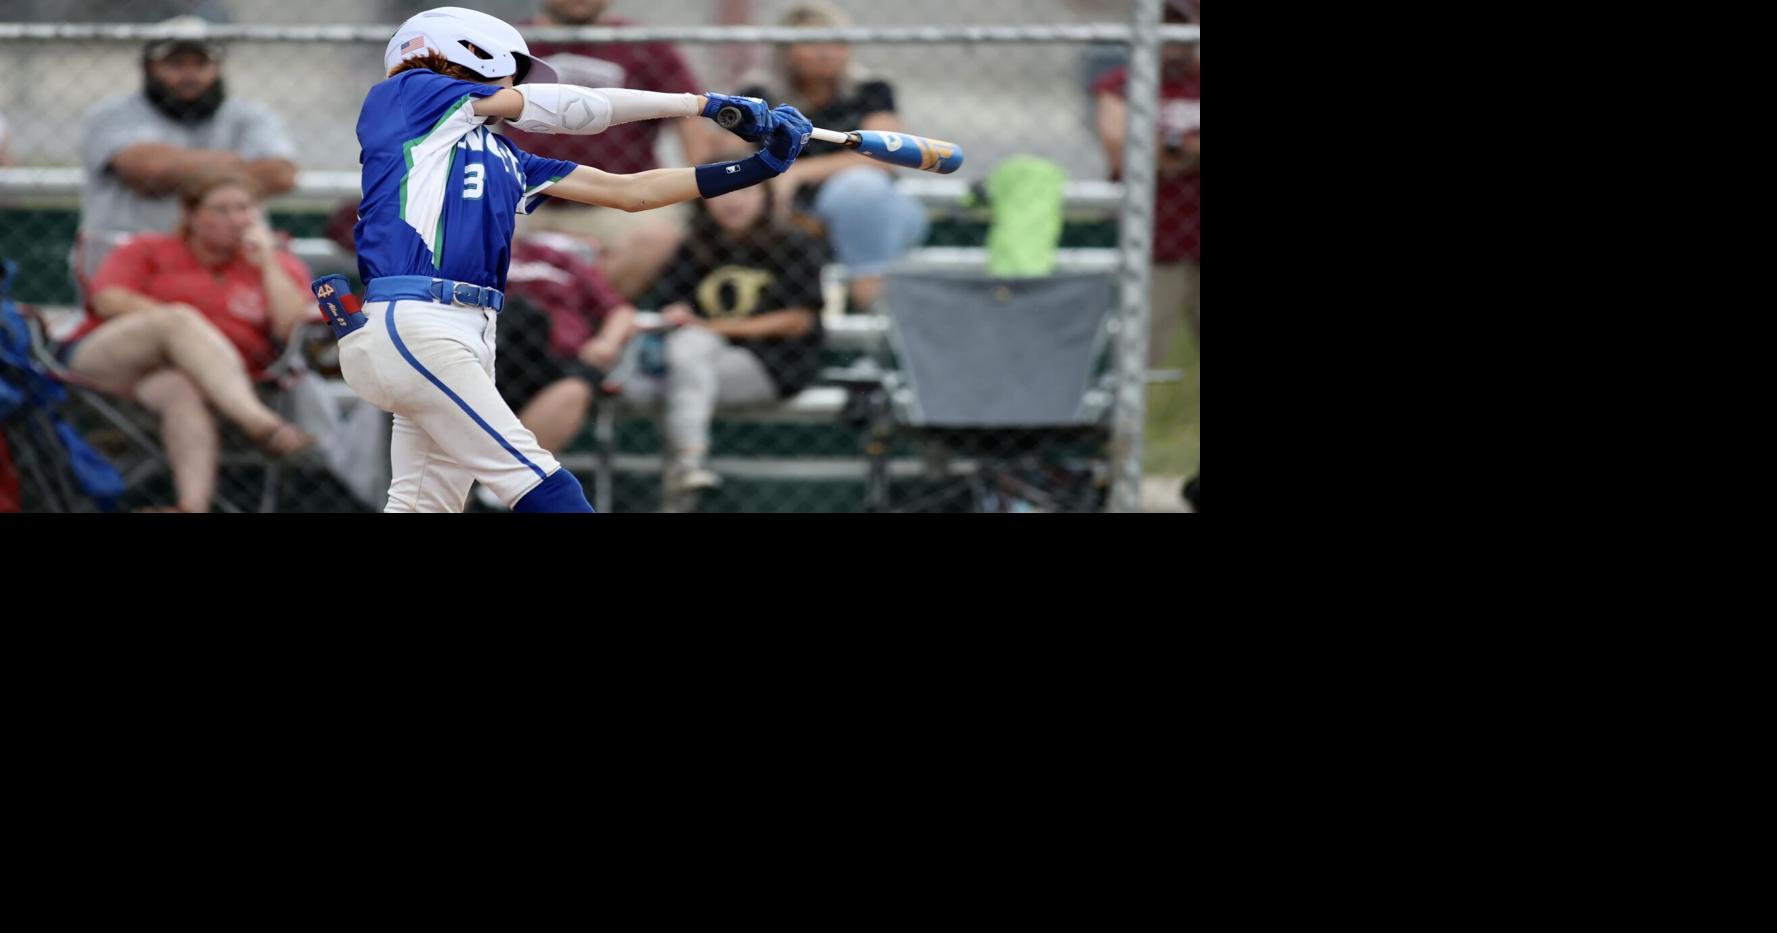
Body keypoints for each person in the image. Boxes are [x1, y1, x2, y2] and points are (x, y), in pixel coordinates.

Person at [336, 5, 811, 513]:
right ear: (465, 51)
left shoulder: (503, 155)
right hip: (419, 322)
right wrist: (700, 104)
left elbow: (632, 192)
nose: (512, 84)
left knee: (424, 505)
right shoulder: (407, 97)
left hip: (462, 330)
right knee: (547, 487)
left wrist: (752, 168)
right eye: (508, 70)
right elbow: (568, 108)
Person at [58, 169, 318, 513]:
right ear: (190, 216)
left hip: (206, 380)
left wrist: (269, 264)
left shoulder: (279, 264)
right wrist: (187, 331)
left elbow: (290, 329)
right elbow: (109, 299)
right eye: (220, 210)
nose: (236, 219)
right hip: (115, 361)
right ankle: (264, 426)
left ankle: (190, 506)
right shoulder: (149, 249)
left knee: (181, 391)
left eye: (244, 208)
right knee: (180, 319)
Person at [625, 142, 826, 511]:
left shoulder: (794, 243)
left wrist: (708, 327)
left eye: (745, 188)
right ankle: (688, 467)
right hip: (698, 363)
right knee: (687, 351)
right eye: (720, 190)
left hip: (773, 365)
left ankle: (682, 479)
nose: (732, 200)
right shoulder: (696, 246)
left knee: (681, 363)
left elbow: (798, 321)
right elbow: (671, 301)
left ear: (765, 193)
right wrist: (678, 313)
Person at [504, 0, 712, 300]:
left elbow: (690, 121)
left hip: (616, 197)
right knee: (468, 231)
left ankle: (582, 315)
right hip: (525, 195)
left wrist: (701, 192)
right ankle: (533, 319)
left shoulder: (642, 46)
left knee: (656, 236)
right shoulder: (510, 43)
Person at [738, 1, 929, 312]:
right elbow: (730, 154)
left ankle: (872, 305)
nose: (826, 52)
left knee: (859, 188)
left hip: (873, 210)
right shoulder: (760, 94)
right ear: (785, 52)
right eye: (812, 42)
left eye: (836, 41)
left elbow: (886, 155)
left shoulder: (870, 90)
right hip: (791, 211)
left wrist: (798, 172)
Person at [76, 29, 298, 288]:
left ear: (217, 68)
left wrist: (175, 168)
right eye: (176, 65)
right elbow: (148, 170)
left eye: (201, 65)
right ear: (148, 68)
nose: (189, 76)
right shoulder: (112, 115)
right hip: (133, 271)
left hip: (229, 269)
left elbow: (281, 175)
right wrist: (237, 165)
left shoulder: (250, 115)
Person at [1094, 0, 1200, 363]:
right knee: (1141, 358)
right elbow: (1122, 152)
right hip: (1151, 242)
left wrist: (1168, 150)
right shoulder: (1122, 83)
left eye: (1178, 28)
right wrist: (1183, 150)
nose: (1171, 40)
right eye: (1162, 27)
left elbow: (1151, 152)